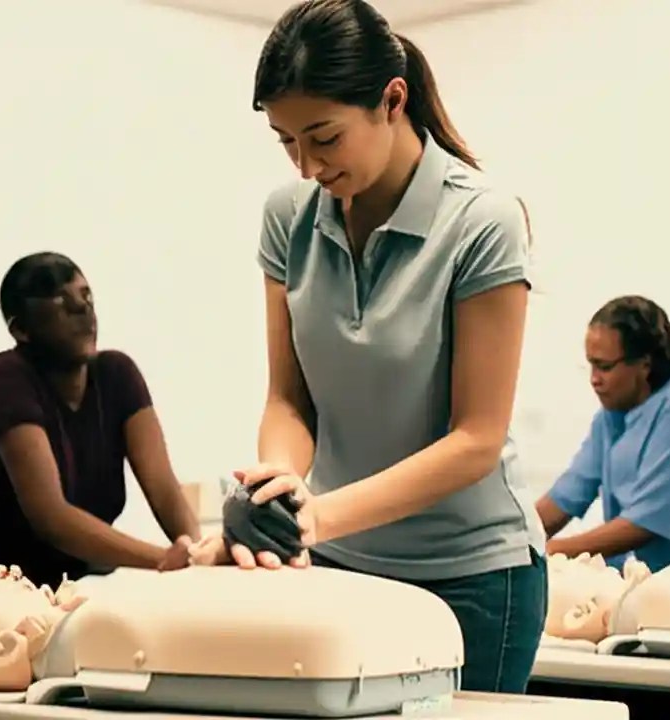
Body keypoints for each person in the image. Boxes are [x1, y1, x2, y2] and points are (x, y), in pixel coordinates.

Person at [189, 0, 547, 694]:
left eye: (323, 137)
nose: (306, 166)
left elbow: (476, 439)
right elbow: (290, 399)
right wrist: (278, 493)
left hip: (473, 578)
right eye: (286, 142)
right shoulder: (287, 218)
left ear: (392, 100)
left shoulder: (482, 222)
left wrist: (317, 514)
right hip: (336, 565)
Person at [0, 252, 200, 590]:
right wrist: (162, 559)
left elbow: (164, 489)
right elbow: (52, 517)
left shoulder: (117, 375)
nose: (83, 309)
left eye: (86, 296)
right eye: (61, 301)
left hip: (68, 590)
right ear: (20, 328)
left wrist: (197, 551)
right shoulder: (8, 376)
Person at [535, 296, 670, 573]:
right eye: (590, 365)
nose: (594, 379)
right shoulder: (612, 414)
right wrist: (513, 540)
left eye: (604, 367)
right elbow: (566, 496)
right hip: (660, 583)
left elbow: (645, 523)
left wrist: (552, 551)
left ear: (644, 364)